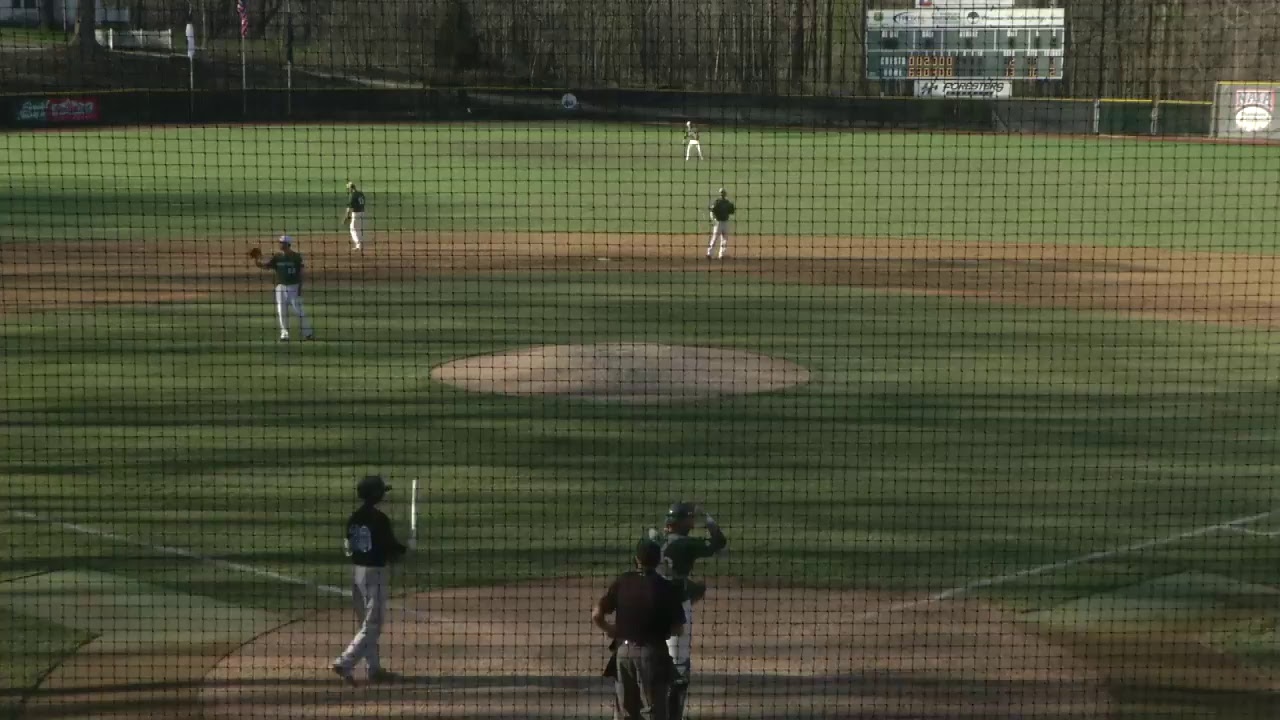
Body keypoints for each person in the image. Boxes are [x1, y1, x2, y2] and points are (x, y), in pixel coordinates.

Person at [648, 503, 727, 720]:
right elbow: (719, 544)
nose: (692, 521)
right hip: (676, 605)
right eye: (690, 518)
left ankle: (651, 710)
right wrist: (709, 522)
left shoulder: (656, 540)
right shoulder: (687, 544)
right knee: (679, 665)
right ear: (682, 522)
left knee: (651, 656)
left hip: (652, 602)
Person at [594, 538, 686, 720]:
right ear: (659, 560)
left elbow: (596, 614)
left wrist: (609, 629)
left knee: (626, 714)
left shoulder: (622, 582)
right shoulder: (667, 588)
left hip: (623, 654)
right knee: (654, 712)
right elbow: (678, 629)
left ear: (636, 559)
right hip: (652, 655)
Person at [332, 475, 410, 685]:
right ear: (376, 495)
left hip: (356, 573)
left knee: (366, 625)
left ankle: (374, 670)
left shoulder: (353, 518)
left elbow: (349, 547)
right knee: (372, 625)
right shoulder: (380, 519)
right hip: (374, 574)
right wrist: (406, 549)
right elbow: (391, 549)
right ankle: (345, 662)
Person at [250, 235, 314, 342]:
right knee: (281, 311)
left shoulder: (296, 257)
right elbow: (265, 267)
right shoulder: (277, 257)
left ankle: (308, 333)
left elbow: (301, 272)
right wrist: (256, 261)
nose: (279, 244)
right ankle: (284, 334)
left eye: (281, 243)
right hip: (280, 288)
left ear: (287, 244)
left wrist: (300, 287)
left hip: (294, 287)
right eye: (279, 242)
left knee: (299, 311)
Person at [707, 189, 736, 260]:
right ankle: (710, 253)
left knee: (723, 239)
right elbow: (712, 211)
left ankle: (720, 254)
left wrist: (712, 219)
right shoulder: (719, 202)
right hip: (719, 222)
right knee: (718, 238)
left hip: (723, 222)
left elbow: (731, 211)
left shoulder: (723, 202)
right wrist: (713, 219)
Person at [343, 181, 366, 252]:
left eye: (348, 188)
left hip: (356, 213)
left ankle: (358, 244)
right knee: (358, 228)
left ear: (350, 188)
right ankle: (359, 244)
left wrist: (346, 217)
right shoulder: (360, 193)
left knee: (352, 228)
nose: (348, 190)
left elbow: (349, 208)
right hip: (362, 213)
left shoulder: (352, 195)